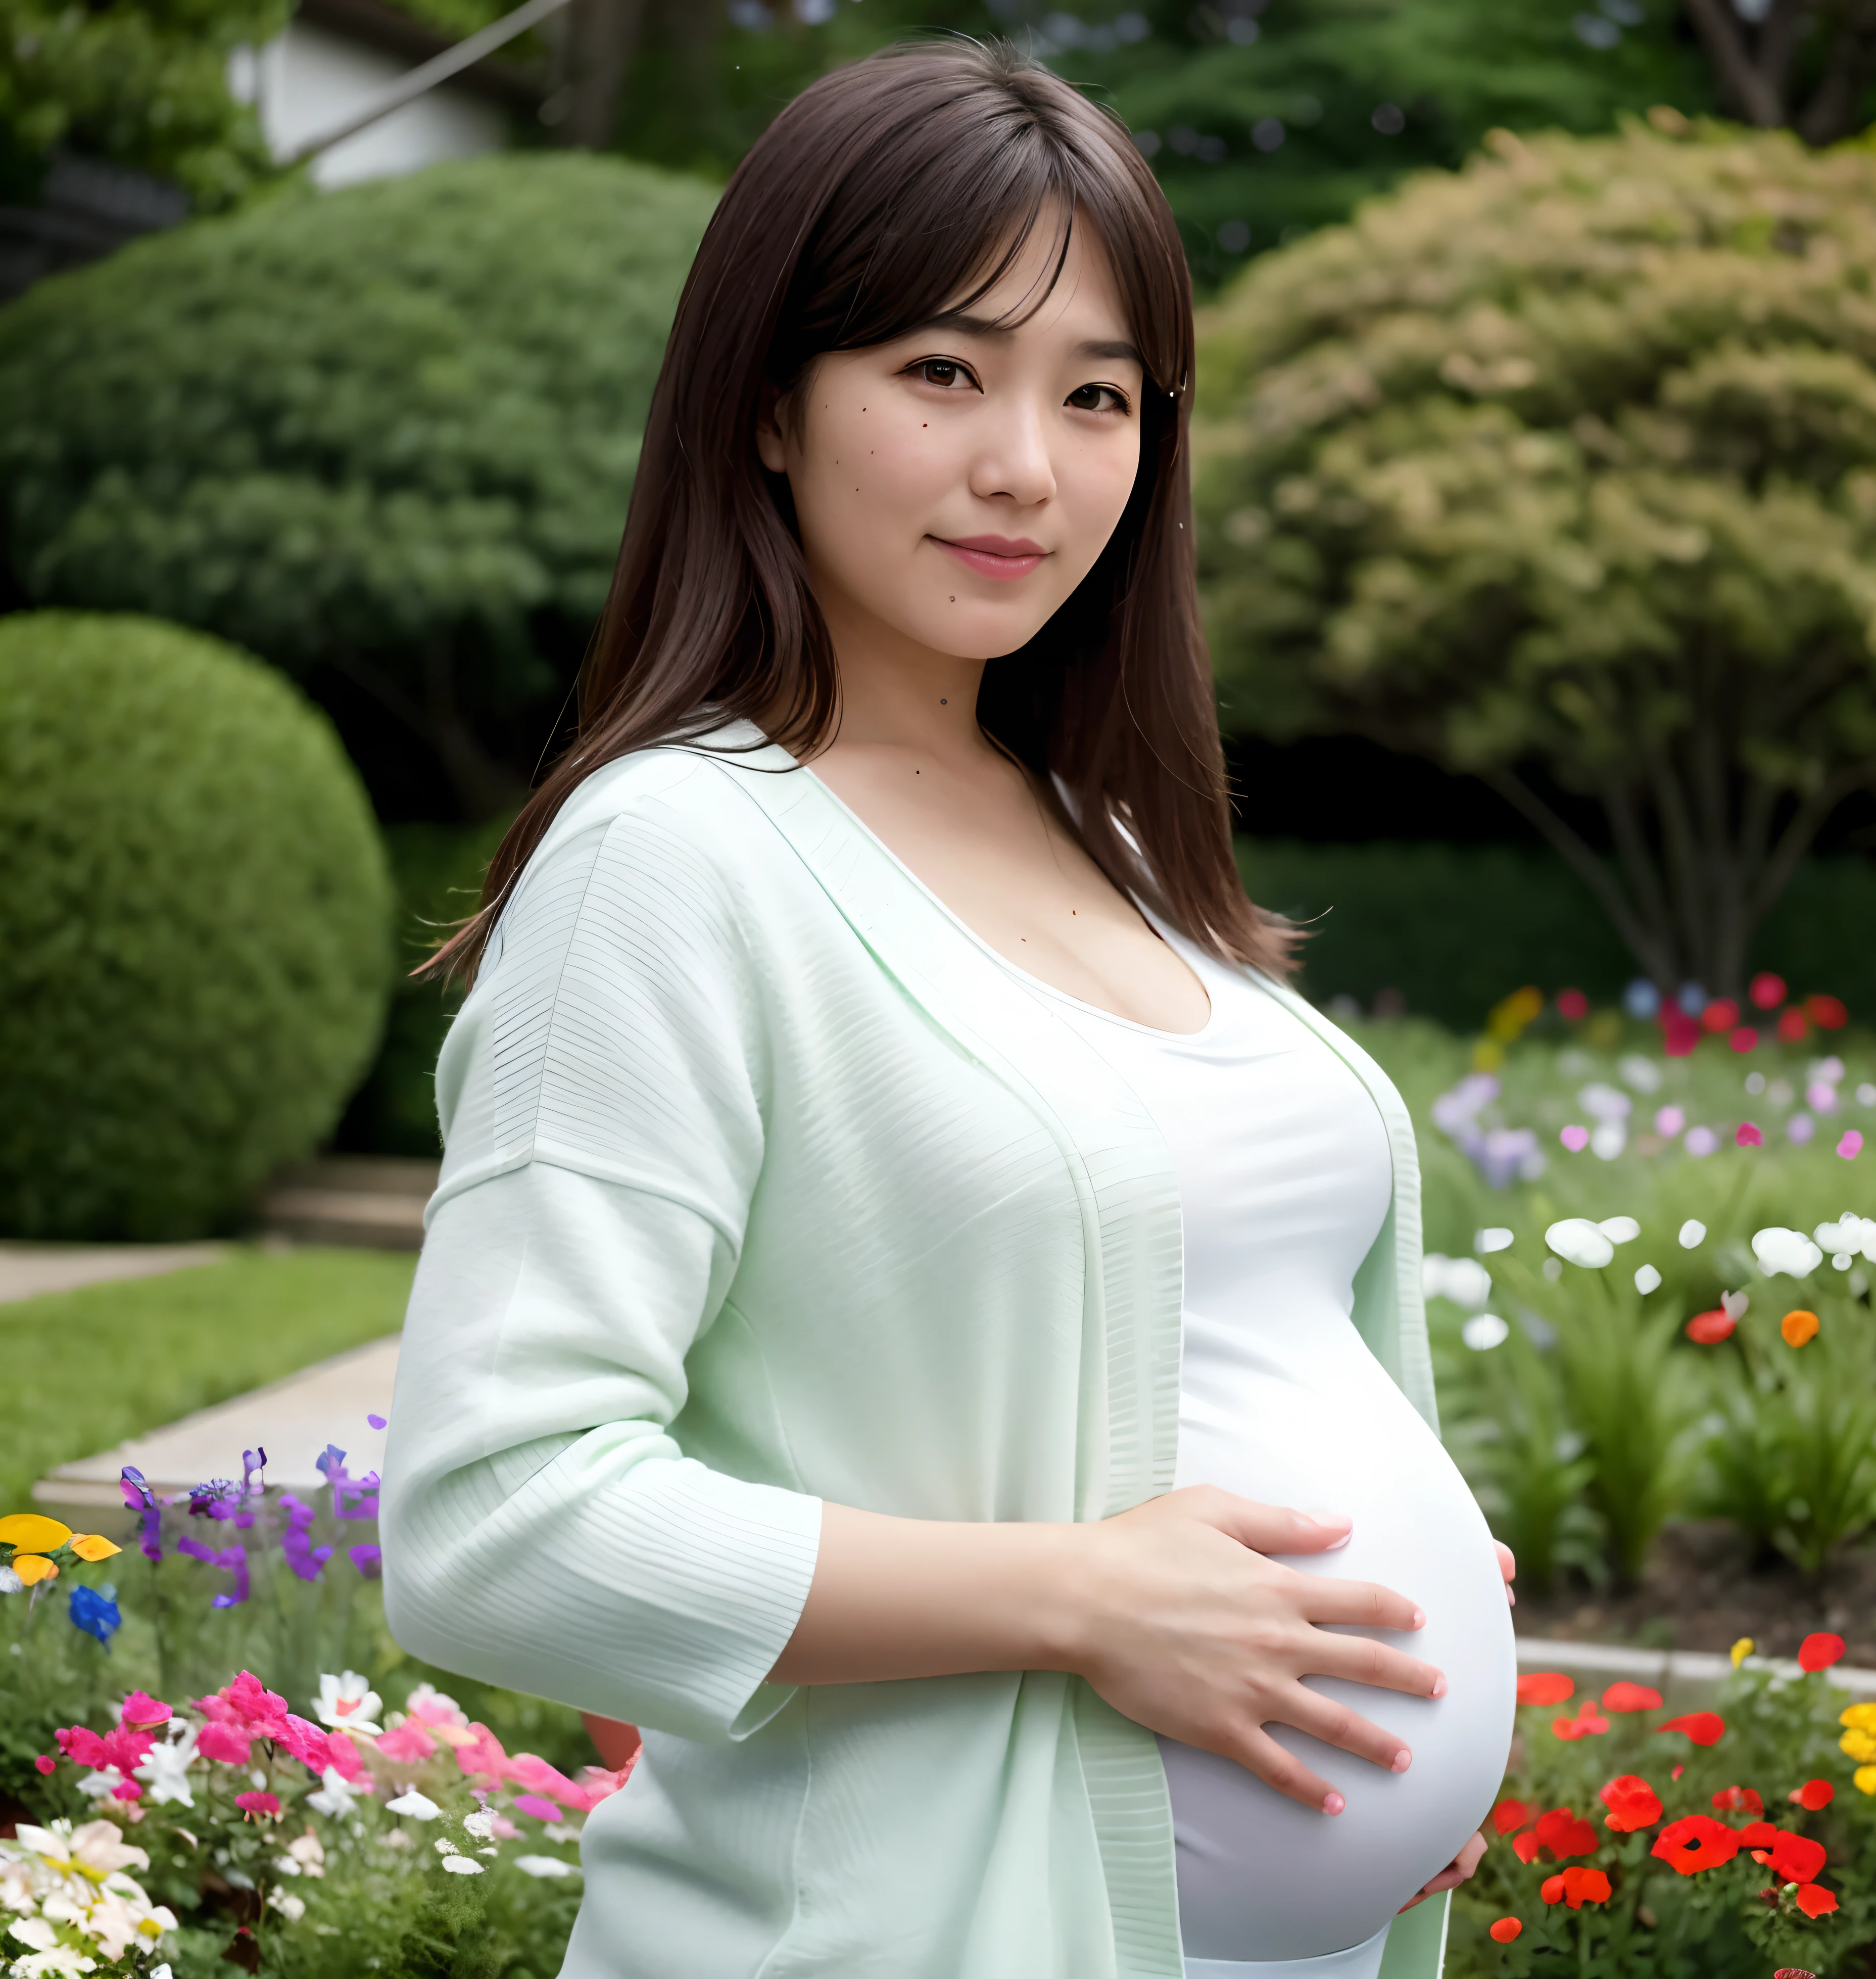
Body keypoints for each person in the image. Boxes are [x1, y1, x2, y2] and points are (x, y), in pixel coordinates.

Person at [380, 39, 1517, 1979]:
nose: (1027, 466)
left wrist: (1398, 1654)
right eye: (940, 370)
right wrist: (1085, 1598)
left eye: (1097, 395)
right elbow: (498, 1517)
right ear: (766, 403)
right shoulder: (672, 859)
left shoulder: (1113, 837)